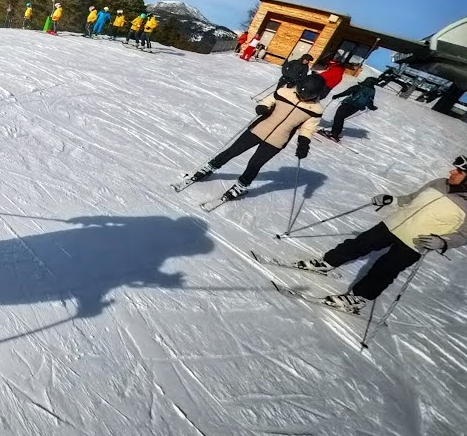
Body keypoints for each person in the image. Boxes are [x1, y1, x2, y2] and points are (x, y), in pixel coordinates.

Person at [291, 156, 467, 313]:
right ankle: (327, 262)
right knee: (359, 244)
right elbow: (410, 199)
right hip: (393, 224)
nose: (452, 171)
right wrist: (391, 200)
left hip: (417, 242)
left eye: (459, 171)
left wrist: (443, 242)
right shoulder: (438, 183)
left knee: (385, 269)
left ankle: (358, 298)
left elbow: (463, 235)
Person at [180, 74, 327, 202]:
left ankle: (241, 185)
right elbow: (268, 100)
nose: (301, 97)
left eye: (306, 96)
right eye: (300, 93)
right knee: (233, 151)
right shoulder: (284, 92)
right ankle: (210, 167)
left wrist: (303, 144)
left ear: (315, 95)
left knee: (255, 164)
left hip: (277, 140)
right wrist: (262, 107)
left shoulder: (316, 110)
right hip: (258, 129)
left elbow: (308, 128)